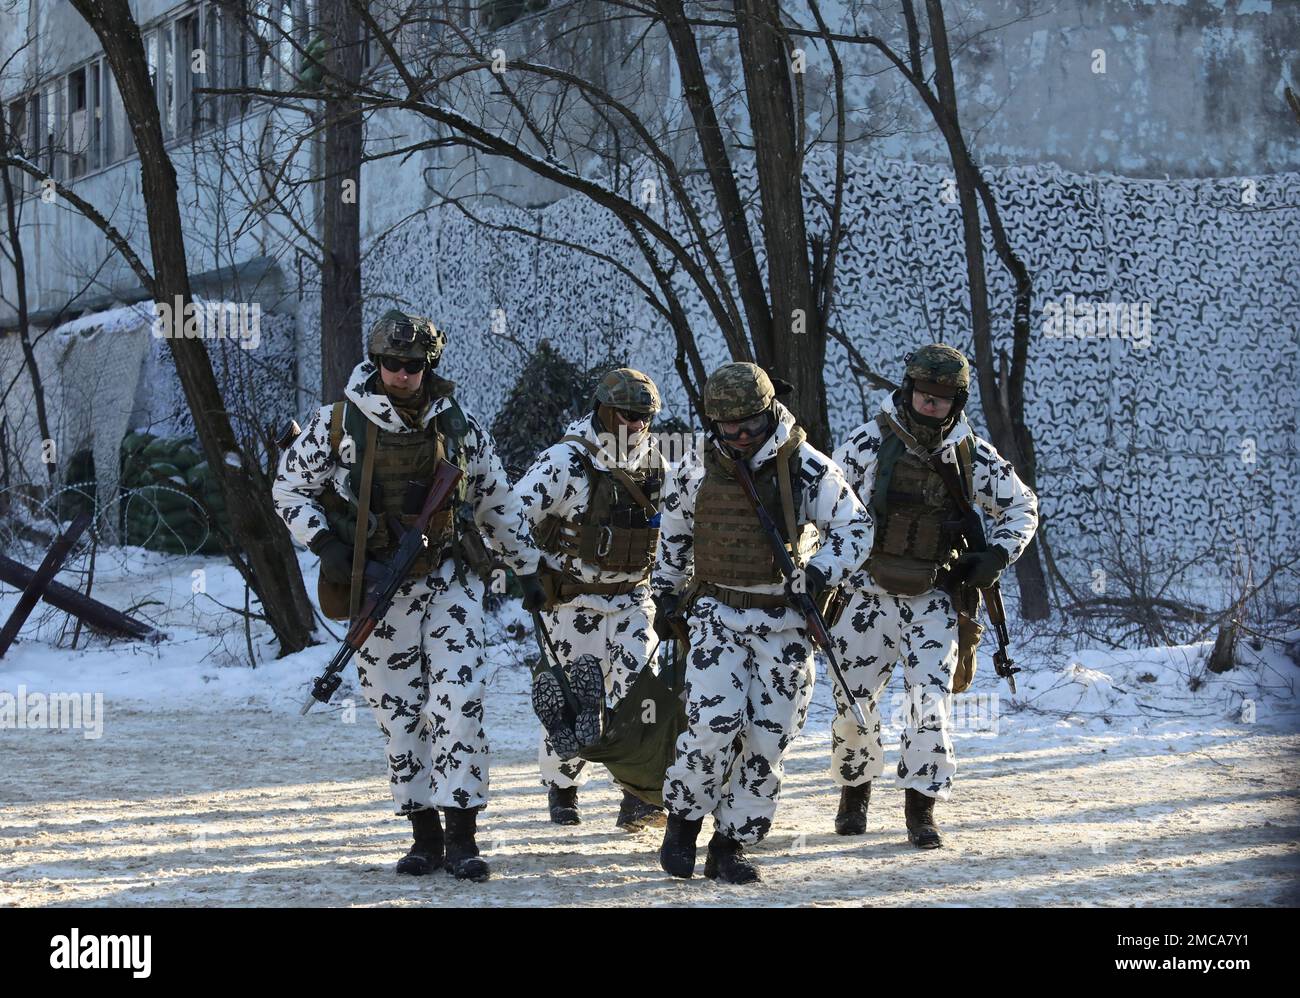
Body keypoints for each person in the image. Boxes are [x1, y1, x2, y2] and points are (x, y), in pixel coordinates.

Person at [272, 309, 542, 881]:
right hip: (377, 585)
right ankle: (424, 836)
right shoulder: (338, 423)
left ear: (428, 366)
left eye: (412, 365)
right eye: (390, 363)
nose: (400, 373)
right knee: (398, 714)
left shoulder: (461, 426)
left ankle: (463, 836)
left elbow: (497, 500)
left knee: (459, 703)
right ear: (376, 363)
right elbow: (290, 487)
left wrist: (529, 568)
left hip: (450, 580)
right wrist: (325, 543)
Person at [652, 362, 871, 883]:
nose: (740, 436)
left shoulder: (808, 469)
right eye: (728, 428)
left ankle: (731, 845)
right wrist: (664, 595)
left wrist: (820, 573)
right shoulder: (696, 468)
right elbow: (676, 536)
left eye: (749, 424)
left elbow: (857, 528)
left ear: (769, 411)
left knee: (768, 738)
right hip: (716, 615)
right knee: (712, 724)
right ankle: (682, 822)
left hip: (786, 623)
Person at [828, 344, 1038, 848]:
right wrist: (824, 569)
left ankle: (921, 808)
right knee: (852, 700)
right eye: (925, 393)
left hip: (935, 598)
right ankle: (854, 792)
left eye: (943, 397)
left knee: (929, 703)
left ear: (957, 400)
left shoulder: (971, 454)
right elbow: (826, 506)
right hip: (865, 596)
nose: (931, 403)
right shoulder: (866, 444)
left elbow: (1022, 506)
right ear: (908, 388)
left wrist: (995, 557)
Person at [514, 368, 668, 831]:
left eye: (646, 416)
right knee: (572, 700)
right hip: (573, 602)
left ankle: (638, 795)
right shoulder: (565, 460)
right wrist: (529, 571)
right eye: (628, 414)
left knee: (642, 696)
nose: (638, 424)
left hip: (632, 600)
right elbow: (509, 514)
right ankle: (562, 787)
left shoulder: (659, 462)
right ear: (603, 409)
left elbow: (679, 528)